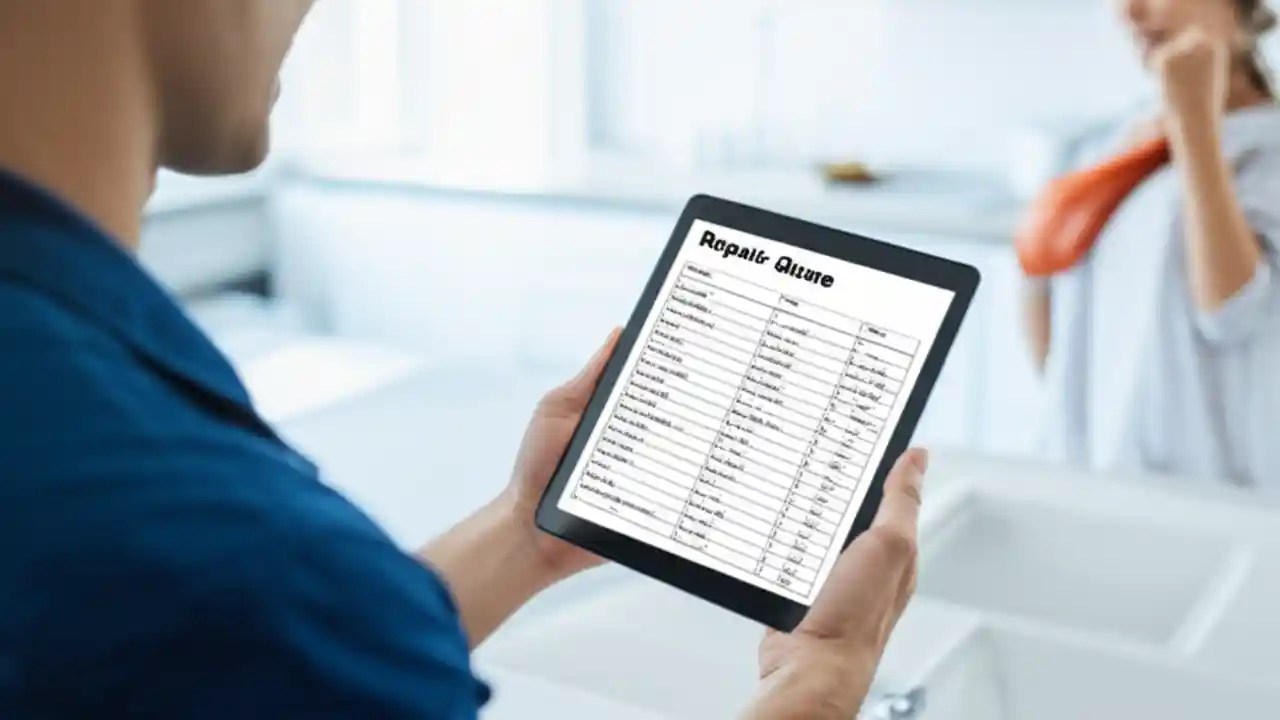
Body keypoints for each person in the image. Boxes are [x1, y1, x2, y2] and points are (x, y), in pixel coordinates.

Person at [0, 2, 926, 717]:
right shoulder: (227, 559)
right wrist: (821, 676)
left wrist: (526, 534)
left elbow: (233, 670)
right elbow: (254, 619)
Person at [1022, 0, 1280, 489]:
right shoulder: (1122, 137)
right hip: (1094, 477)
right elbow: (1051, 284)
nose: (1129, 13)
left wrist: (1194, 122)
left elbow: (1233, 310)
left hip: (1208, 497)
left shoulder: (1266, 148)